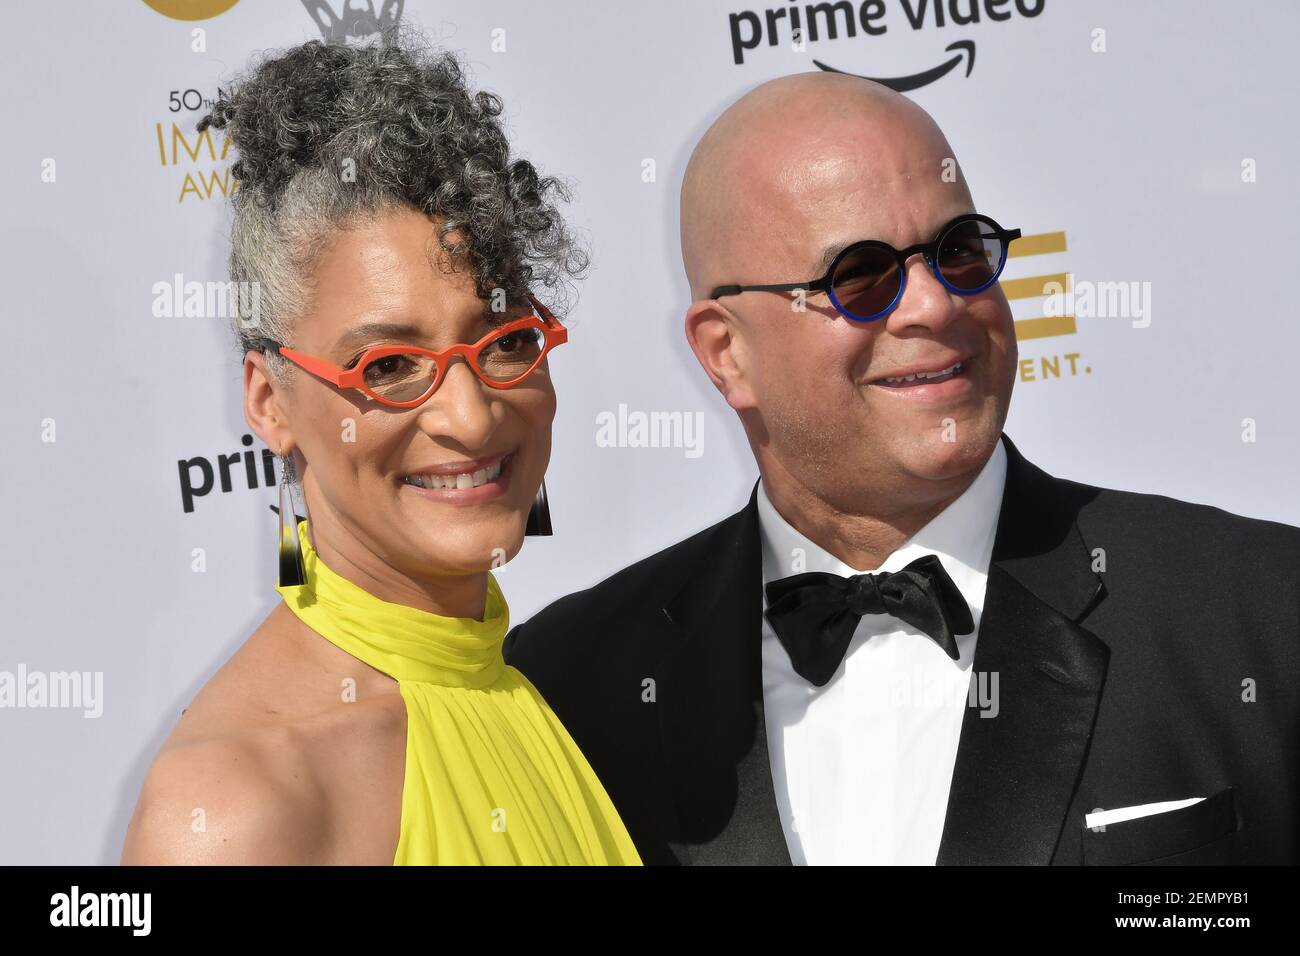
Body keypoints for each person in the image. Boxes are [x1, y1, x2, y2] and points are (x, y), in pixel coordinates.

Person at [503, 71, 1300, 865]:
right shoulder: (570, 689)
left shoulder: (1262, 610)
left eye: (957, 252)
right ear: (727, 353)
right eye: (862, 276)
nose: (933, 305)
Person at [121, 35, 640, 865]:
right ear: (268, 401)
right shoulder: (237, 804)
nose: (470, 419)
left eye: (505, 342)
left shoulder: (516, 690)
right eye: (390, 366)